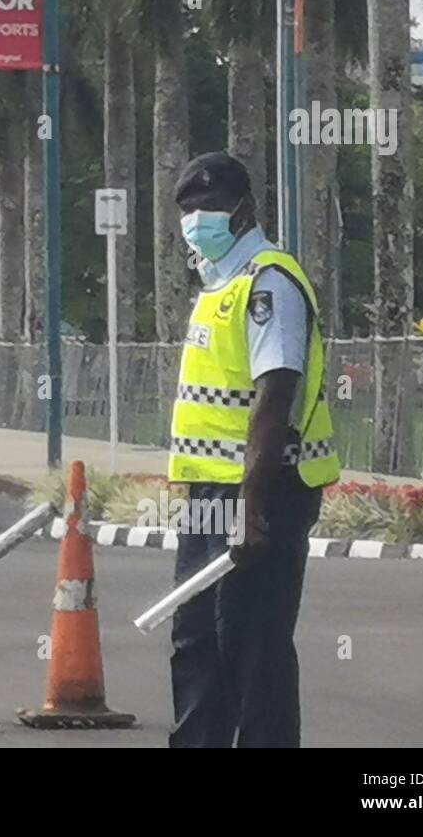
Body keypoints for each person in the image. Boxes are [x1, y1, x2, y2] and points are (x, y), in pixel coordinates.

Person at [167, 151, 340, 748]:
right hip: (210, 493)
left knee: (254, 646)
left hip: (264, 490)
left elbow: (276, 396)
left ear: (244, 209)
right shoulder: (221, 283)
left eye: (209, 208)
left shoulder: (269, 281)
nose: (197, 220)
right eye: (188, 209)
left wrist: (251, 506)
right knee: (196, 641)